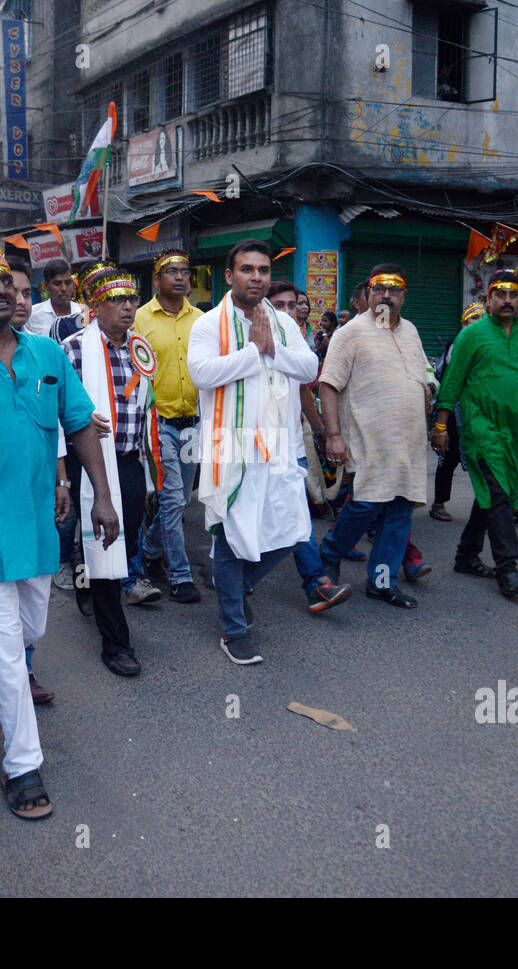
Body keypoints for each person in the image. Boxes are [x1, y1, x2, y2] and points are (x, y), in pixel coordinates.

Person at [0, 244, 115, 816]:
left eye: (8, 283)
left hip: (38, 522)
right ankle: (23, 766)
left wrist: (101, 498)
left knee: (30, 628)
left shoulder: (47, 354)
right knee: (9, 653)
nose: (3, 291)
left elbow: (80, 424)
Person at [188, 240, 320, 664]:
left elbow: (309, 368)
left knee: (291, 530)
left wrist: (272, 349)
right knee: (230, 539)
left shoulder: (284, 323)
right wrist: (253, 352)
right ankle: (233, 629)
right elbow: (203, 375)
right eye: (247, 269)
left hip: (278, 445)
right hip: (231, 447)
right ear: (230, 276)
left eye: (263, 269)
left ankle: (238, 583)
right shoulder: (210, 324)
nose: (257, 276)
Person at [434, 270, 518, 598]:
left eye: (512, 295)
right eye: (499, 295)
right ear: (487, 300)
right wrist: (441, 426)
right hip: (480, 429)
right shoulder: (472, 335)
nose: (506, 300)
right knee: (501, 496)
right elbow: (452, 381)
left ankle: (466, 555)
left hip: (513, 432)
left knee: (491, 495)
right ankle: (508, 568)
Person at [318, 265, 432, 609]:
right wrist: (333, 435)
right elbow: (328, 384)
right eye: (378, 288)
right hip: (369, 440)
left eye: (393, 290)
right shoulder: (350, 332)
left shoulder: (410, 330)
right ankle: (331, 551)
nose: (385, 295)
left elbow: (424, 370)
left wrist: (428, 388)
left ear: (404, 296)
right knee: (366, 505)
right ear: (367, 294)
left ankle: (382, 582)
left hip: (409, 441)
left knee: (400, 511)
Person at [61, 269, 157, 675]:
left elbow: (147, 406)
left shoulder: (141, 348)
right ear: (96, 306)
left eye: (132, 299)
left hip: (129, 462)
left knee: (127, 537)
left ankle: (88, 578)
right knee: (104, 545)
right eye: (117, 300)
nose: (128, 307)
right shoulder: (73, 349)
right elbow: (57, 412)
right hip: (90, 465)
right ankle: (115, 642)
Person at [267, 281, 352, 613]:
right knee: (237, 518)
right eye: (281, 305)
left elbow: (303, 388)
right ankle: (231, 576)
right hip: (246, 444)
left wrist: (323, 432)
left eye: (293, 304)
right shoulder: (244, 337)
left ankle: (316, 583)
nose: (289, 311)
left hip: (289, 443)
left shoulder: (298, 341)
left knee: (296, 512)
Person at [129, 250, 203, 604]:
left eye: (185, 272)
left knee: (180, 500)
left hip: (193, 423)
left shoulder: (203, 319)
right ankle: (180, 575)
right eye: (171, 272)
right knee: (172, 497)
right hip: (157, 423)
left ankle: (148, 548)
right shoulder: (140, 319)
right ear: (156, 280)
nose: (179, 278)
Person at [428, 300, 484, 523]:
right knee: (448, 458)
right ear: (464, 324)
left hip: (480, 411)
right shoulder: (458, 345)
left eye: (482, 319)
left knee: (487, 459)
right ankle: (439, 503)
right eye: (473, 319)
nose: (477, 323)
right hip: (454, 410)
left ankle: (505, 503)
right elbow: (449, 382)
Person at [27, 258, 85, 340]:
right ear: (46, 286)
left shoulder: (84, 312)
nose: (64, 289)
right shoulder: (32, 315)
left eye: (68, 283)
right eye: (57, 284)